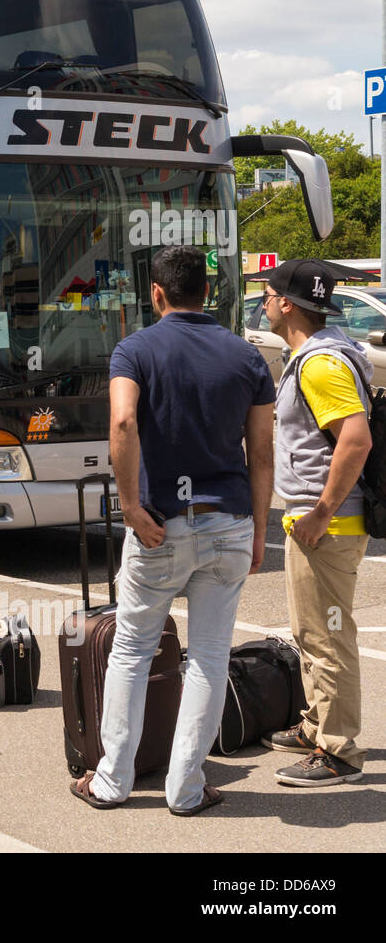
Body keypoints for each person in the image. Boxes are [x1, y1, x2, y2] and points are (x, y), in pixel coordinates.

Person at [70, 246, 274, 816]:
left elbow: (122, 420)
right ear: (206, 293)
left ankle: (112, 781)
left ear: (156, 293)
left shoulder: (134, 350)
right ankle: (185, 790)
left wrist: (131, 505)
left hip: (162, 525)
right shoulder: (247, 356)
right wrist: (258, 531)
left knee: (132, 651)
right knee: (209, 657)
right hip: (230, 520)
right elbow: (261, 453)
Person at [261, 259, 372, 787]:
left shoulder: (320, 364)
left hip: (326, 526)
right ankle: (315, 725)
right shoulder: (313, 355)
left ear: (288, 303)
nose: (263, 301)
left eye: (267, 294)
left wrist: (322, 512)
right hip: (316, 522)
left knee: (328, 638)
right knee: (313, 633)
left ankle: (339, 752)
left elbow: (356, 439)